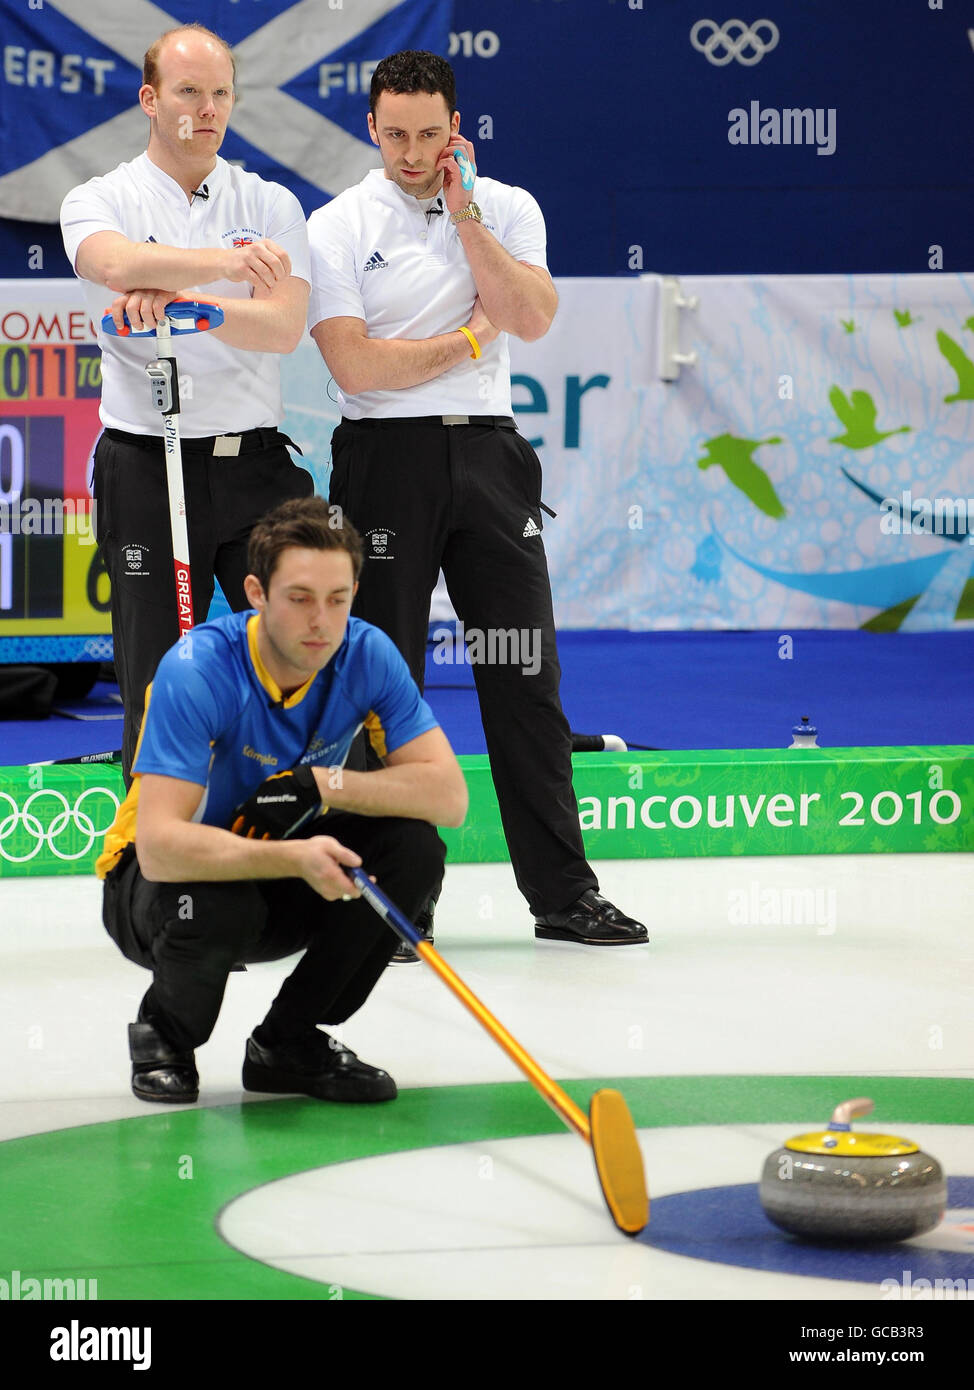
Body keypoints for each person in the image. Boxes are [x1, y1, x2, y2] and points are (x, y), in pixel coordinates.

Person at [306, 50, 646, 953]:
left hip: (491, 457)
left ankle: (564, 895)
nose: (412, 151)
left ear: (456, 128)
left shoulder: (509, 207)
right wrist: (464, 338)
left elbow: (530, 317)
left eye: (429, 133)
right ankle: (394, 899)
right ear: (370, 129)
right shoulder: (337, 223)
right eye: (395, 134)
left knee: (524, 674)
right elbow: (354, 364)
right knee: (386, 678)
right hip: (384, 459)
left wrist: (464, 218)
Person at [95, 496, 466, 1104]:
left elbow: (449, 797)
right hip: (158, 886)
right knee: (211, 902)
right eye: (299, 599)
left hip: (286, 863)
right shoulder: (200, 670)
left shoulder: (366, 654)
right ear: (256, 592)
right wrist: (294, 860)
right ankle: (165, 1034)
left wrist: (325, 785)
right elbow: (161, 849)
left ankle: (288, 1044)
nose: (321, 621)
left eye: (338, 600)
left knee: (414, 849)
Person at [60, 23, 314, 781]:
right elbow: (112, 261)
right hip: (145, 461)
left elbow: (283, 327)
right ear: (150, 99)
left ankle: (274, 835)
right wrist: (229, 266)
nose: (207, 109)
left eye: (221, 94)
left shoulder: (269, 202)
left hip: (254, 467)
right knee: (153, 668)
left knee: (280, 655)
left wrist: (191, 304)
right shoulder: (100, 196)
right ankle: (154, 862)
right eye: (189, 92)